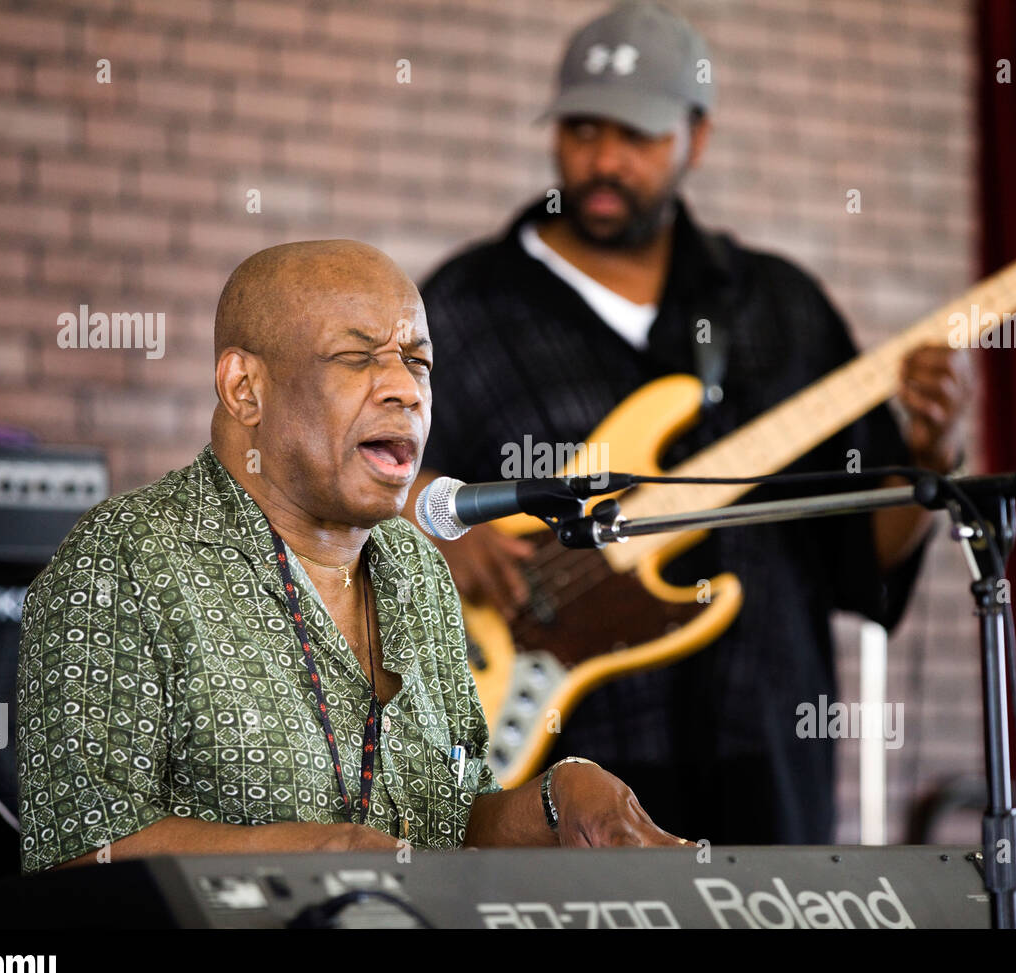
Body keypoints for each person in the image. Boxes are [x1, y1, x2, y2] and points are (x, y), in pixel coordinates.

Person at [409, 2, 972, 844]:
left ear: (695, 140)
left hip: (768, 768)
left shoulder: (782, 308)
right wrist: (432, 521)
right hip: (561, 771)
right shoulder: (460, 305)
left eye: (635, 136)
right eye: (582, 129)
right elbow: (364, 483)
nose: (602, 159)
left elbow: (860, 548)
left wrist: (933, 455)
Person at [15, 240, 685, 876]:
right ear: (245, 387)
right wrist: (318, 854)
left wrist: (560, 795)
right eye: (358, 357)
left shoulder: (418, 567)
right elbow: (80, 847)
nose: (406, 390)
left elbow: (450, 825)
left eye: (418, 362)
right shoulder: (124, 560)